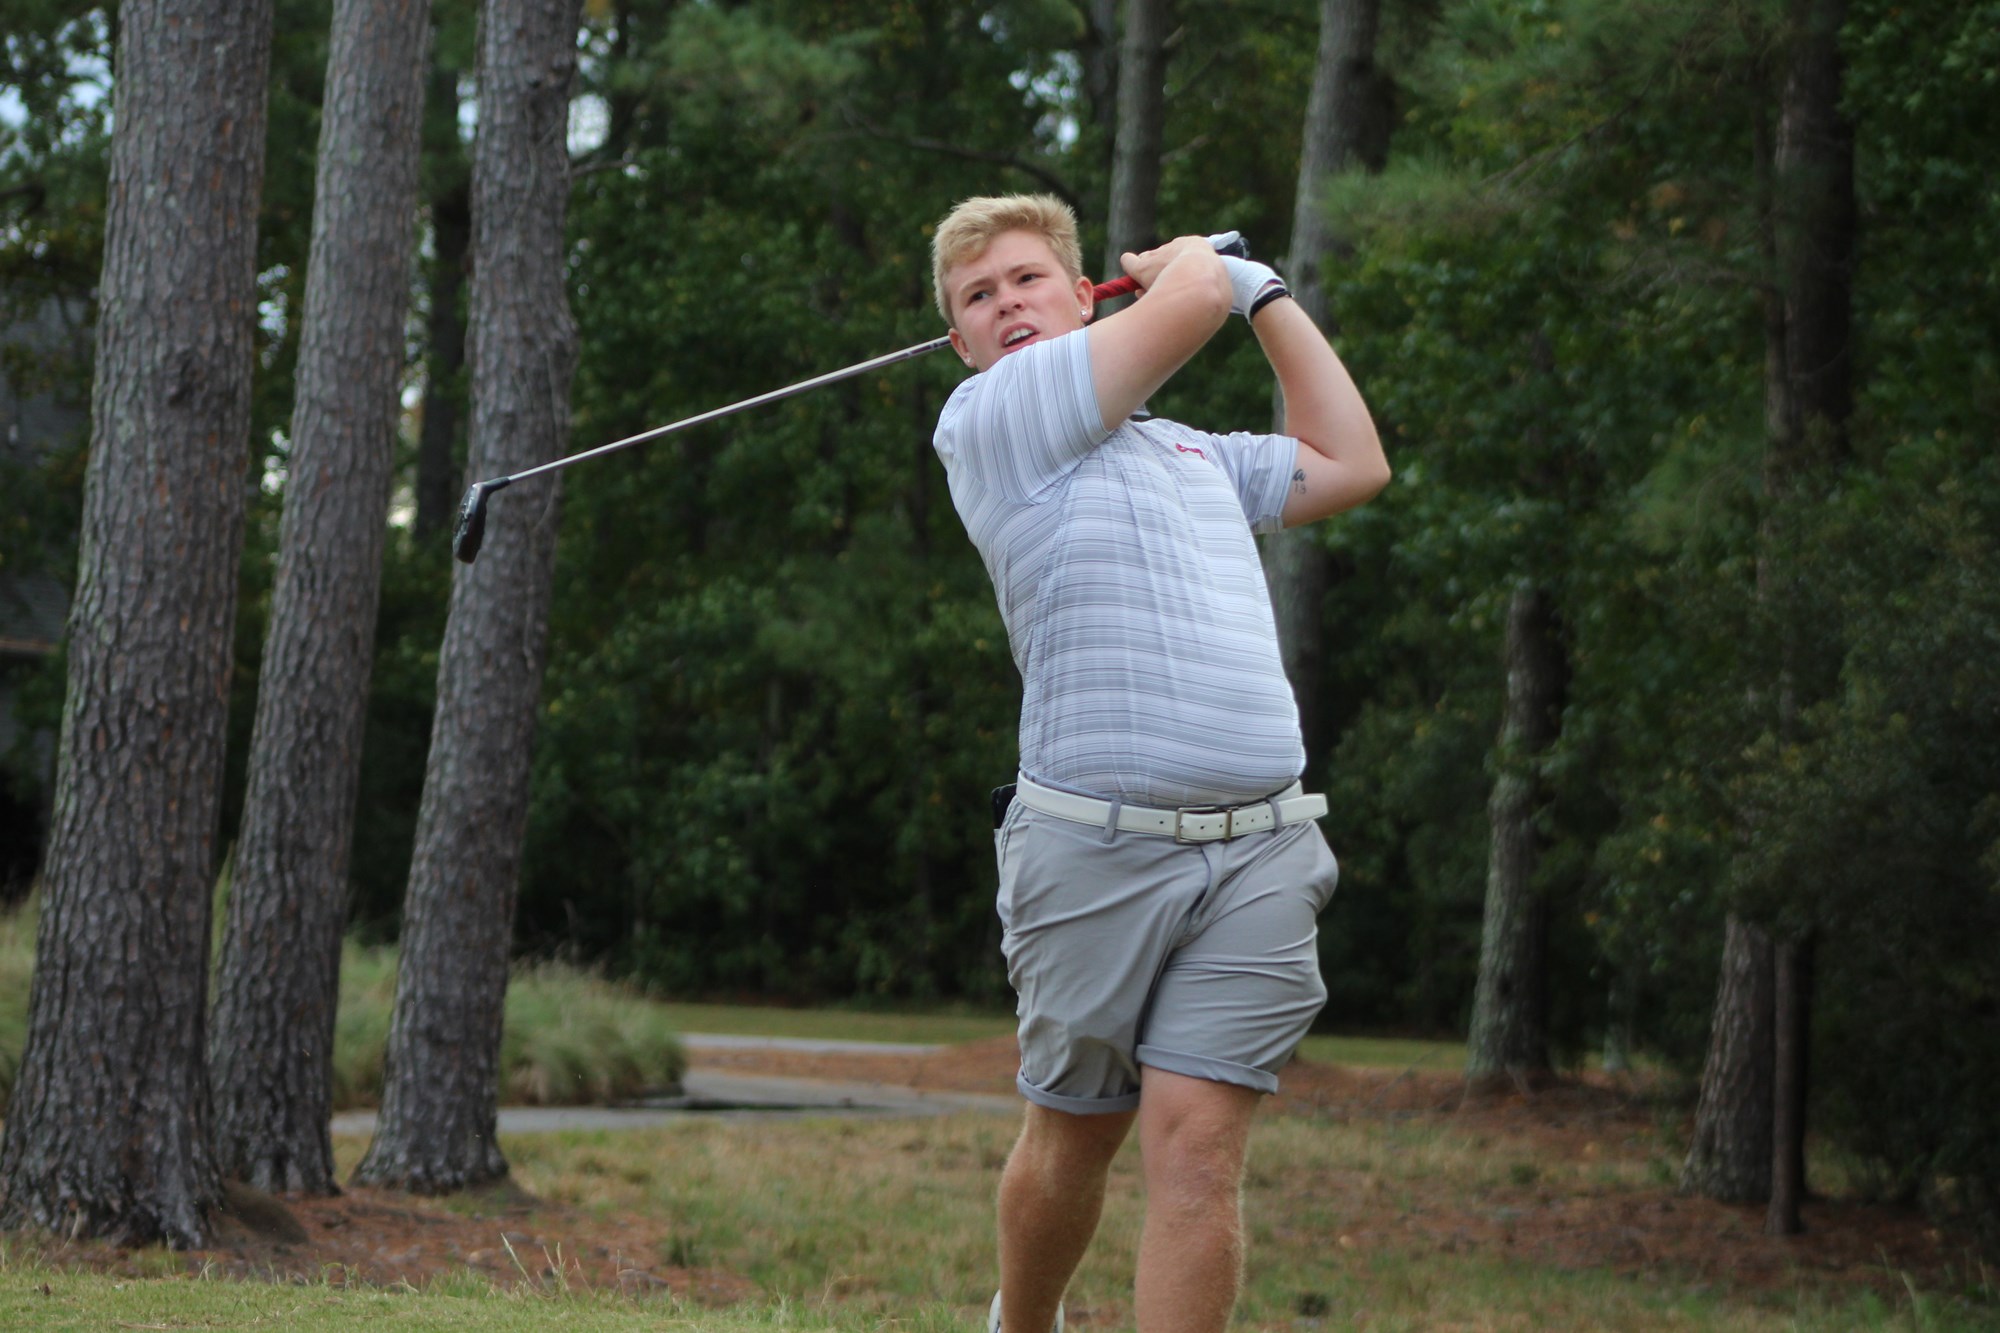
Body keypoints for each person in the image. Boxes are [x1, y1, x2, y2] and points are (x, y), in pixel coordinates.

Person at [928, 193, 1390, 1333]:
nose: (1005, 305)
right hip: (1092, 849)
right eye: (977, 296)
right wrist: (1195, 268)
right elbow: (1182, 306)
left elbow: (1350, 461)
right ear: (960, 340)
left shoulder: (1193, 454)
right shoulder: (990, 417)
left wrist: (1262, 292)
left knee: (1199, 1148)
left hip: (1260, 851)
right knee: (1072, 1136)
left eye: (1027, 280)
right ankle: (1022, 1323)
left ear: (1084, 297)